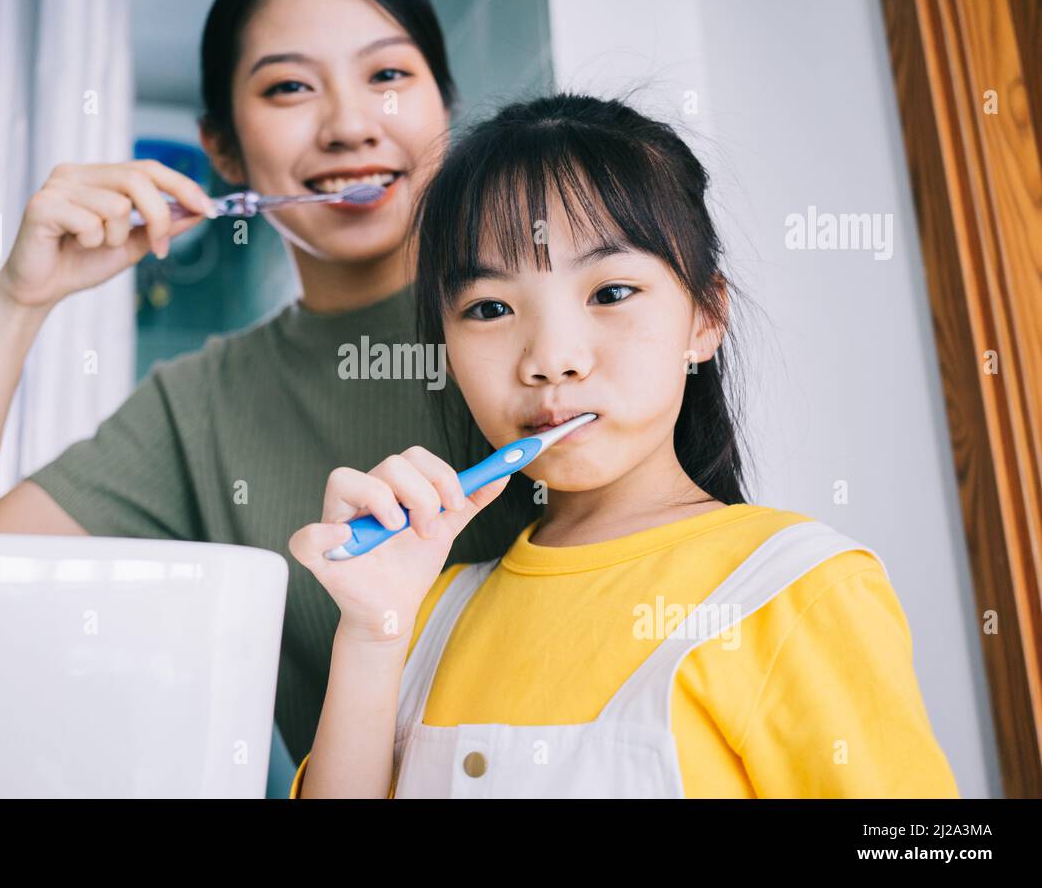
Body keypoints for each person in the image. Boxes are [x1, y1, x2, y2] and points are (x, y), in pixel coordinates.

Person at [0, 0, 540, 769]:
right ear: (225, 150)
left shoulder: (556, 323)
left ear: (442, 108)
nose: (349, 125)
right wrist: (14, 305)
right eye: (290, 87)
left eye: (387, 75)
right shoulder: (199, 406)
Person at [286, 93, 960, 798]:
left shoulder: (796, 588)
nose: (551, 358)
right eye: (489, 308)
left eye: (609, 292)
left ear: (704, 317)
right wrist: (372, 637)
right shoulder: (427, 611)